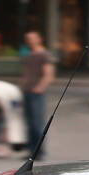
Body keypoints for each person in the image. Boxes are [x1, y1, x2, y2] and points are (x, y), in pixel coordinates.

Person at [20, 30, 55, 159]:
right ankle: (30, 151)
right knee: (29, 122)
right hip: (26, 91)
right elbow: (26, 73)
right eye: (27, 39)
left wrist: (40, 88)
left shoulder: (44, 55)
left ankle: (39, 152)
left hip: (36, 93)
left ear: (39, 39)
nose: (30, 41)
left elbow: (49, 75)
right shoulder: (28, 55)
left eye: (32, 38)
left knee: (37, 123)